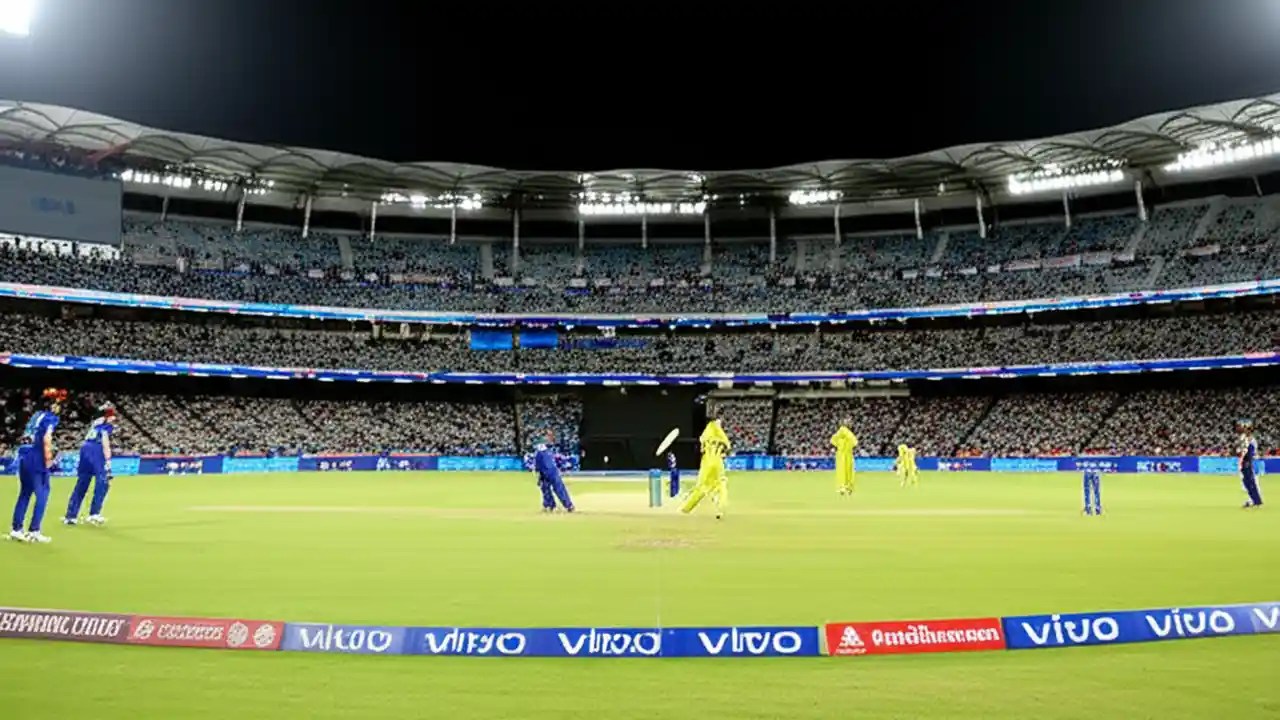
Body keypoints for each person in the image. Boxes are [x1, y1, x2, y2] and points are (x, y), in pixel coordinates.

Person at [9, 388, 64, 543]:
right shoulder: (50, 418)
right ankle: (34, 530)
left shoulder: (35, 416)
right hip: (36, 457)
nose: (58, 407)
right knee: (43, 493)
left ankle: (16, 529)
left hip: (24, 455)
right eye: (57, 403)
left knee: (24, 493)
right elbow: (47, 439)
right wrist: (49, 459)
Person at [64, 402, 117, 526]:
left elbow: (98, 415)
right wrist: (108, 462)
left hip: (85, 448)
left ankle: (71, 516)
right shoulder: (106, 426)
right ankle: (94, 514)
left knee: (82, 482)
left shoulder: (95, 423)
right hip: (96, 450)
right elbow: (105, 443)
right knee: (103, 483)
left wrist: (104, 409)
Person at [680, 416, 730, 519]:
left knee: (701, 487)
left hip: (707, 462)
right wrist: (722, 452)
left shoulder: (705, 434)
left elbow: (701, 449)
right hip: (718, 462)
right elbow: (728, 448)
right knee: (721, 484)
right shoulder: (721, 435)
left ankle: (686, 508)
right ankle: (721, 508)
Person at [535, 442, 574, 512]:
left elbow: (538, 467)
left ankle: (550, 505)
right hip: (554, 473)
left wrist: (539, 478)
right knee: (560, 489)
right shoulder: (549, 453)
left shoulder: (538, 454)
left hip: (545, 473)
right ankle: (569, 505)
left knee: (545, 489)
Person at [1239, 419, 1264, 509]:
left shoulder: (1251, 440)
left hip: (1250, 462)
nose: (1244, 430)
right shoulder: (1245, 439)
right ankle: (1253, 500)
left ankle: (1256, 501)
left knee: (1252, 482)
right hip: (1247, 462)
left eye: (1246, 428)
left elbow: (1250, 452)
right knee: (1247, 483)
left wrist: (1246, 460)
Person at [831, 418, 858, 495]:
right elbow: (854, 441)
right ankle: (848, 487)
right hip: (844, 453)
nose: (849, 423)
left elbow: (833, 439)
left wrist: (836, 445)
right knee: (848, 471)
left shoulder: (844, 431)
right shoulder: (844, 430)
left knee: (843, 471)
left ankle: (844, 487)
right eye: (847, 422)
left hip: (845, 453)